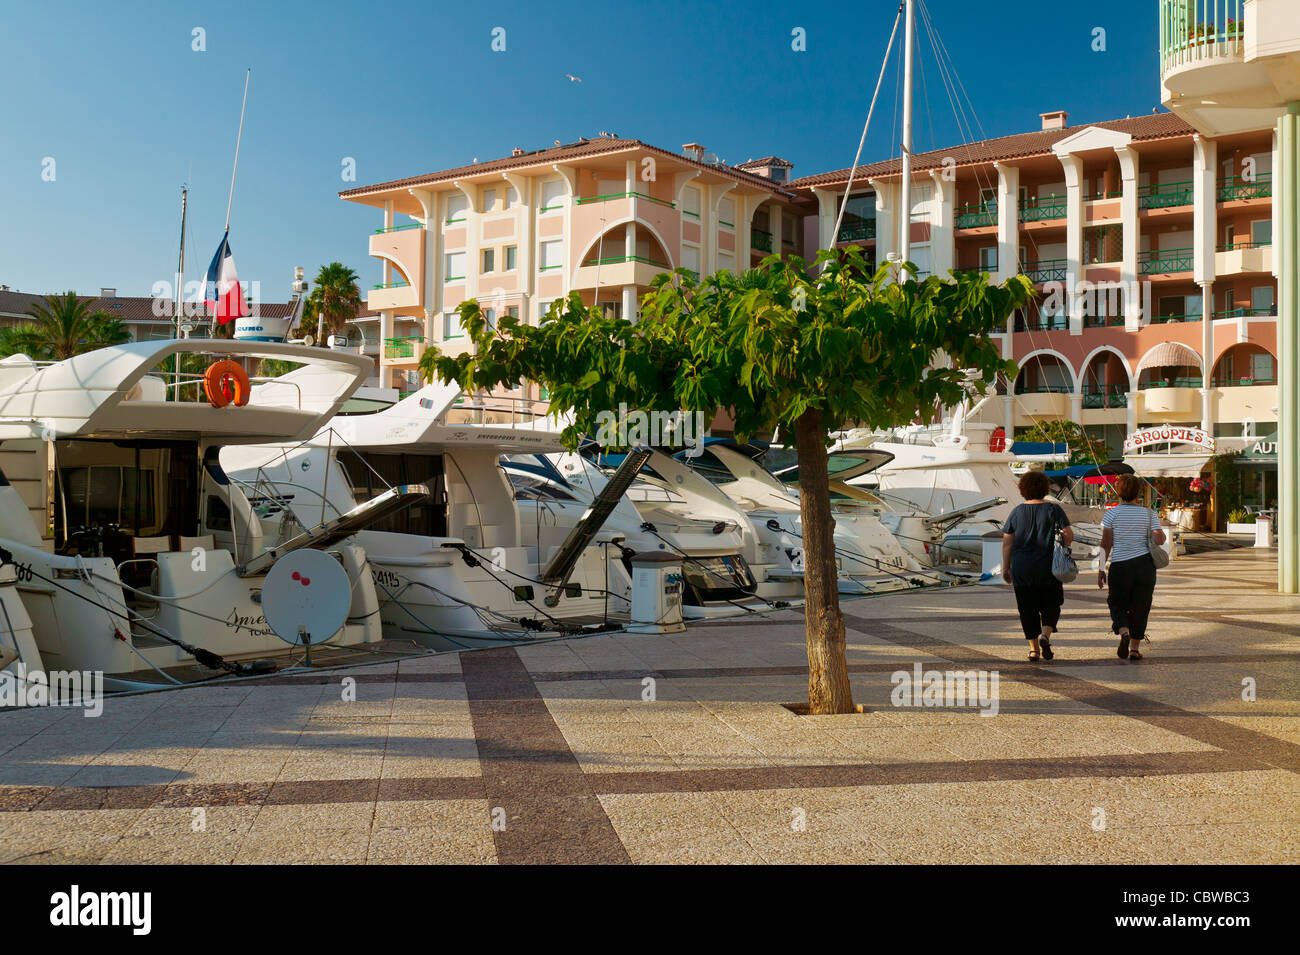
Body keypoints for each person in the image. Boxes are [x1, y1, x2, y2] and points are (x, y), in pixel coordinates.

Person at [1001, 470, 1073, 662]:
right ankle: (1045, 635)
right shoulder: (1054, 510)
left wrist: (1005, 568)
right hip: (1049, 567)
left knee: (1027, 608)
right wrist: (1063, 544)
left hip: (1022, 568)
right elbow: (1069, 535)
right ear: (1045, 488)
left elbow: (1007, 542)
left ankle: (1034, 650)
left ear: (1022, 489)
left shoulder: (1016, 512)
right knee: (1052, 604)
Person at [1098, 473, 1166, 661]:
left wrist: (1101, 569)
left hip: (1120, 566)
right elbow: (1159, 539)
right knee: (1141, 606)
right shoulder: (1148, 513)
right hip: (1144, 567)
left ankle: (1123, 629)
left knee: (1116, 602)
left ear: (1118, 493)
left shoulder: (1111, 514)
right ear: (1138, 492)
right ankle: (1134, 649)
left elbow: (1105, 544)